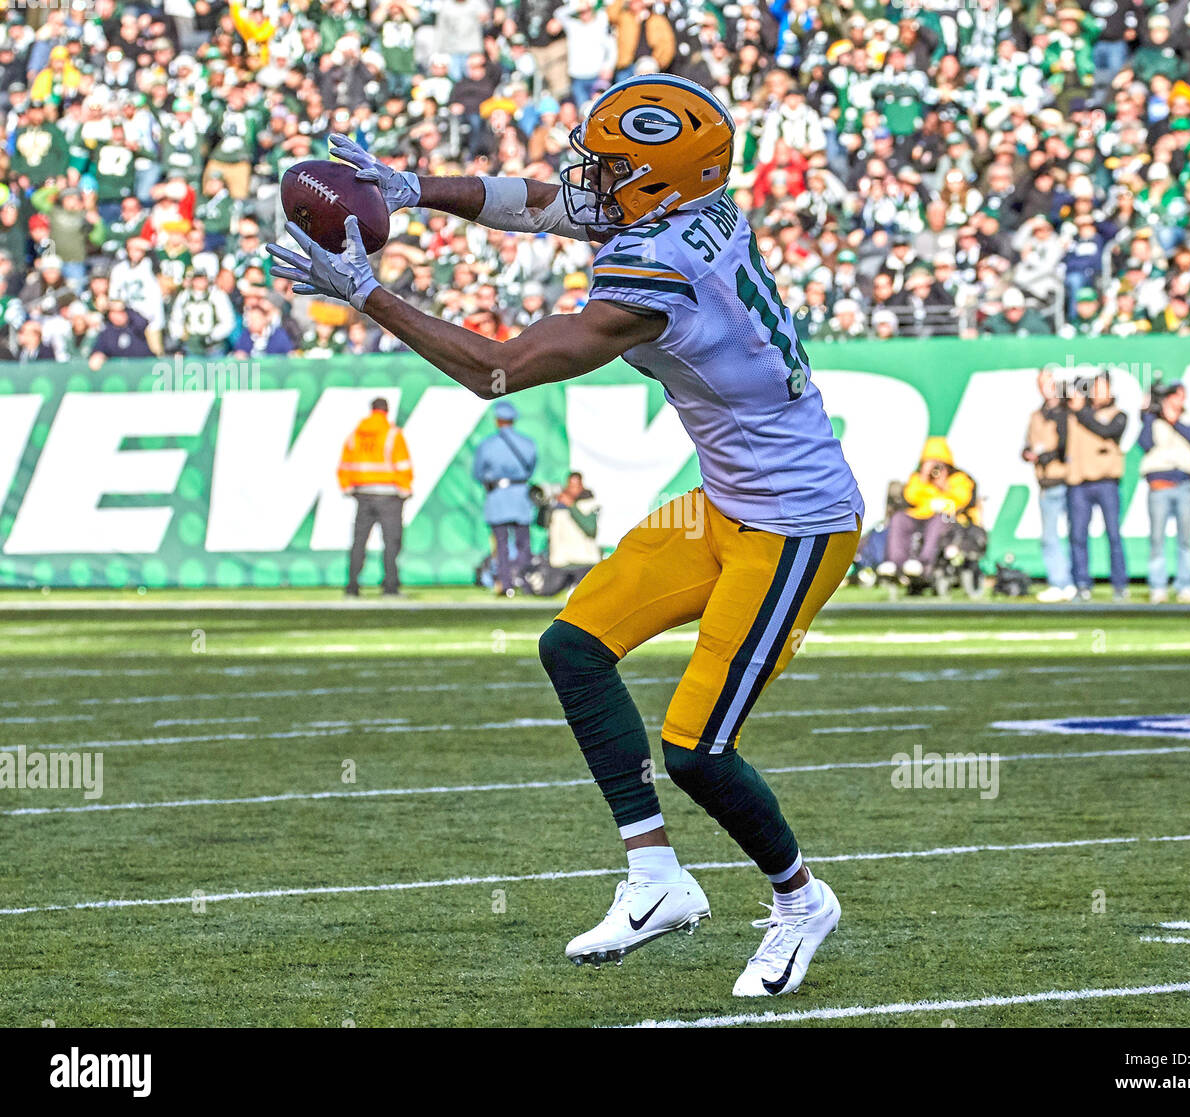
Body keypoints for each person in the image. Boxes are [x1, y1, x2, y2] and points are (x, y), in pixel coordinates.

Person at [268, 75, 863, 998]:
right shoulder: (690, 212)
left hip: (796, 524)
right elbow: (544, 203)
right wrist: (411, 188)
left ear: (659, 182)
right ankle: (656, 875)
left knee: (698, 748)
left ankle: (800, 901)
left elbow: (499, 371)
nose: (591, 178)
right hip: (722, 501)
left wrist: (366, 295)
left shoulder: (658, 271)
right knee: (573, 648)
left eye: (616, 167)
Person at [337, 397, 413, 597]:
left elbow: (344, 464)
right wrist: (405, 489)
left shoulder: (356, 435)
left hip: (362, 494)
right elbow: (403, 465)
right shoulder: (392, 434)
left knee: (359, 541)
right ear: (386, 411)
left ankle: (352, 586)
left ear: (371, 410)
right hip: (389, 495)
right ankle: (390, 586)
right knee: (391, 542)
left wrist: (346, 487)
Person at [1065, 371, 1129, 602]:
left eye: (1102, 387)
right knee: (1078, 536)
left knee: (1113, 534)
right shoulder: (1073, 414)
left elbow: (1106, 431)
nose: (1097, 392)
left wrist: (1080, 411)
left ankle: (1120, 584)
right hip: (1079, 482)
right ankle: (1081, 583)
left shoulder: (1118, 414)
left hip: (1106, 481)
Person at [877, 436, 975, 583]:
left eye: (939, 463)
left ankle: (924, 563)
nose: (935, 468)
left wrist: (943, 486)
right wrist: (924, 477)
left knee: (938, 521)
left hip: (947, 519)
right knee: (899, 518)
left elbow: (963, 500)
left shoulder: (959, 478)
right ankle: (896, 563)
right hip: (920, 515)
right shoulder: (918, 479)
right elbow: (910, 497)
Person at [1138, 383, 1190, 603]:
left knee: (1185, 539)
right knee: (1157, 539)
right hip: (1159, 485)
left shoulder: (1189, 418)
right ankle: (1158, 586)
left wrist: (1172, 419)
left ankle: (1185, 585)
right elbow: (1144, 443)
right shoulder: (1153, 419)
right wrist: (1146, 414)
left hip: (1183, 484)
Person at [472, 400, 538, 597]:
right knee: (523, 542)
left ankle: (505, 583)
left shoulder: (487, 445)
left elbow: (478, 472)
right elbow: (531, 468)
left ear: (498, 421)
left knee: (501, 544)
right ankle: (524, 580)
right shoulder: (528, 443)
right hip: (520, 497)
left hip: (497, 498)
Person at [1023, 369, 1074, 602]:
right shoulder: (1037, 415)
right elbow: (1028, 443)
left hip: (1067, 479)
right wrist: (1028, 454)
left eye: (1049, 383)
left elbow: (1068, 445)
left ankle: (1074, 581)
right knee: (1050, 536)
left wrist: (1049, 455)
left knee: (1075, 534)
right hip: (1045, 482)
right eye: (1041, 383)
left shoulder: (1067, 412)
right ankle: (1058, 582)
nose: (1045, 388)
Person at [541, 470, 602, 592]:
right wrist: (546, 505)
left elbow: (590, 529)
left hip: (584, 563)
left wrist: (571, 506)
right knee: (546, 591)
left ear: (582, 486)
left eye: (576, 486)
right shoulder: (557, 506)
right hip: (560, 563)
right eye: (570, 486)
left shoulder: (589, 504)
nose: (572, 490)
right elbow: (542, 524)